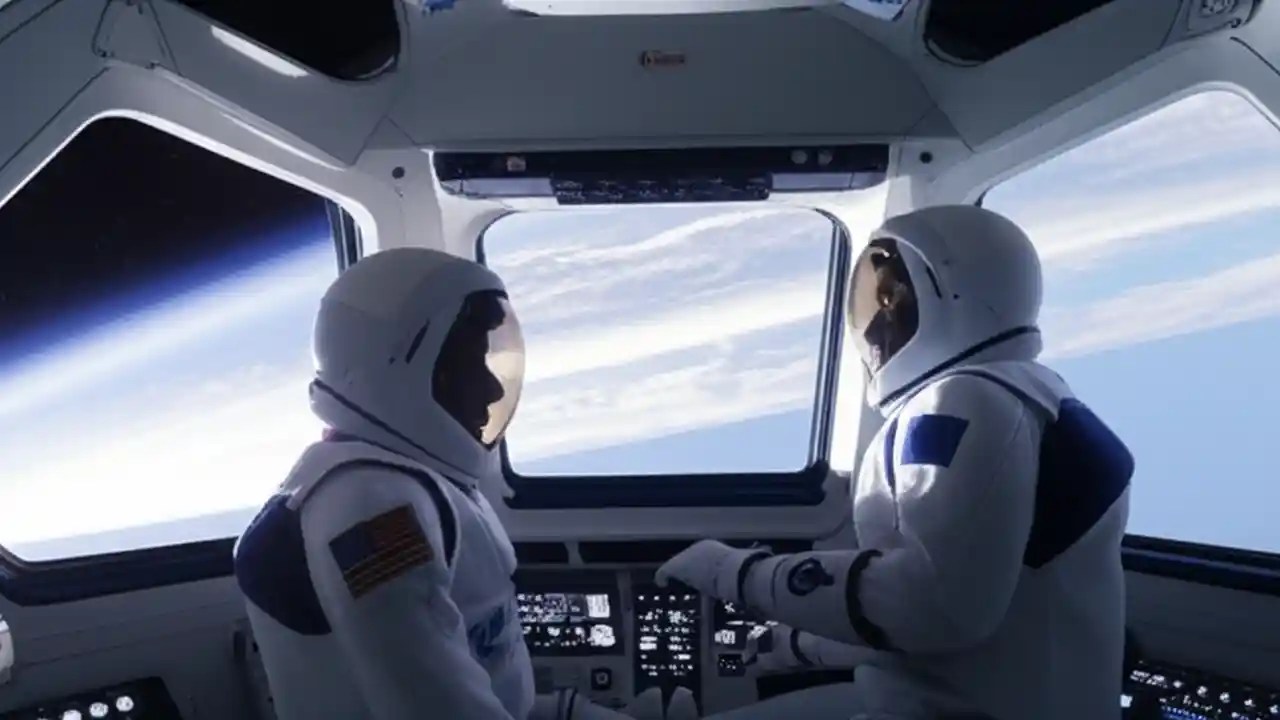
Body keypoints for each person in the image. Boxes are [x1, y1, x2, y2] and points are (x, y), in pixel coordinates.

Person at [657, 205, 1133, 720]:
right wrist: (798, 645)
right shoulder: (1033, 394)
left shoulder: (963, 401)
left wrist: (736, 573)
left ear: (941, 291)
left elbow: (937, 607)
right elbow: (964, 627)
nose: (874, 322)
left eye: (887, 298)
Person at [233, 247, 686, 720]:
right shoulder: (369, 508)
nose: (493, 389)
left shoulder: (407, 481)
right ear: (402, 370)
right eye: (472, 365)